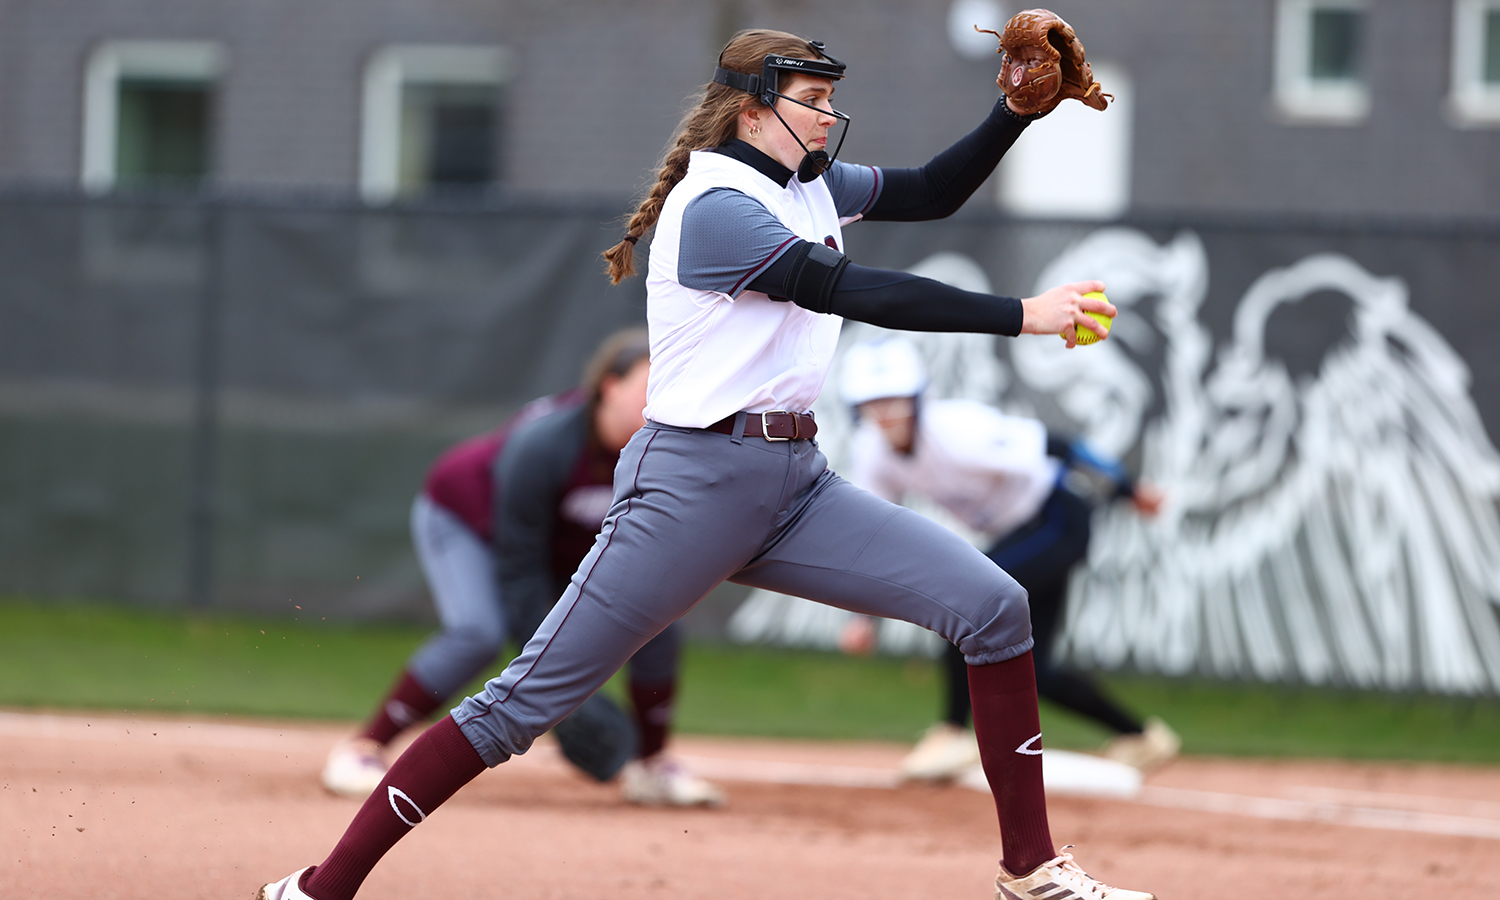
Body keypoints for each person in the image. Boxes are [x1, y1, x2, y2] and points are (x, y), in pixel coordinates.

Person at [257, 28, 1153, 900]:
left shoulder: (808, 182)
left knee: (994, 607)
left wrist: (1011, 115)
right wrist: (1020, 312)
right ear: (751, 112)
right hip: (689, 487)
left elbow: (930, 191)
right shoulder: (718, 206)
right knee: (515, 709)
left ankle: (1031, 874)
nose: (826, 118)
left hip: (797, 486)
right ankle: (319, 889)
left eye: (831, 101)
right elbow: (847, 288)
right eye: (810, 102)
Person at [320, 327, 724, 808]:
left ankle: (651, 767)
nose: (661, 399)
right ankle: (364, 748)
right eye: (649, 386)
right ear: (609, 388)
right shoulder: (545, 446)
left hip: (559, 540)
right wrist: (563, 699)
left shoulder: (667, 452)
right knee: (478, 632)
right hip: (469, 520)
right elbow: (521, 573)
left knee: (656, 620)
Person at [834, 337, 1180, 783]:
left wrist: (1129, 490)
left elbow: (1058, 446)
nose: (885, 416)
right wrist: (864, 618)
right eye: (872, 405)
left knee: (965, 600)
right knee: (1034, 669)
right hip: (1025, 530)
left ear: (918, 399)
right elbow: (874, 533)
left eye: (894, 402)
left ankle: (953, 734)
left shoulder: (958, 430)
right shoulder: (874, 453)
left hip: (1058, 516)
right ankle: (1141, 737)